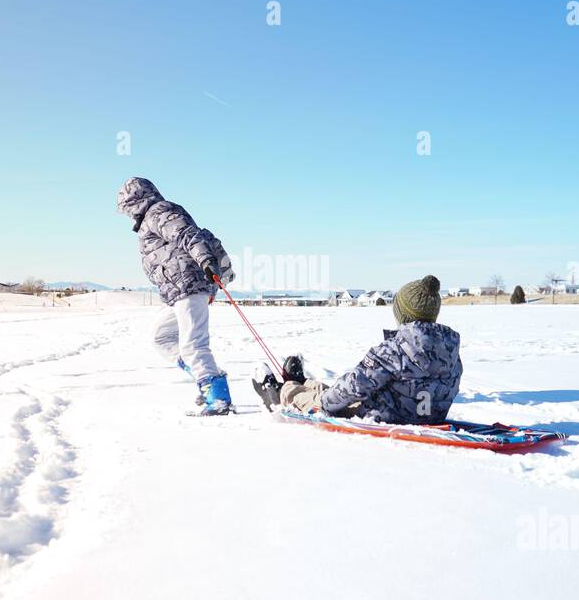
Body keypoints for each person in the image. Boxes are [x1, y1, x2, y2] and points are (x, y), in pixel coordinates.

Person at [253, 275, 463, 425]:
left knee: (321, 398)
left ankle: (283, 391)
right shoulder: (452, 352)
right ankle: (305, 382)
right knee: (330, 391)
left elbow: (353, 386)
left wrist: (322, 404)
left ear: (403, 314)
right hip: (430, 416)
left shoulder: (394, 350)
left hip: (381, 416)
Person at [116, 176, 235, 414]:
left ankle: (217, 397)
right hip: (177, 290)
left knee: (193, 344)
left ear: (135, 200)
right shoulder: (150, 218)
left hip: (190, 284)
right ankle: (205, 380)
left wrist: (206, 261)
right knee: (161, 336)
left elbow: (187, 235)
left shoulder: (159, 212)